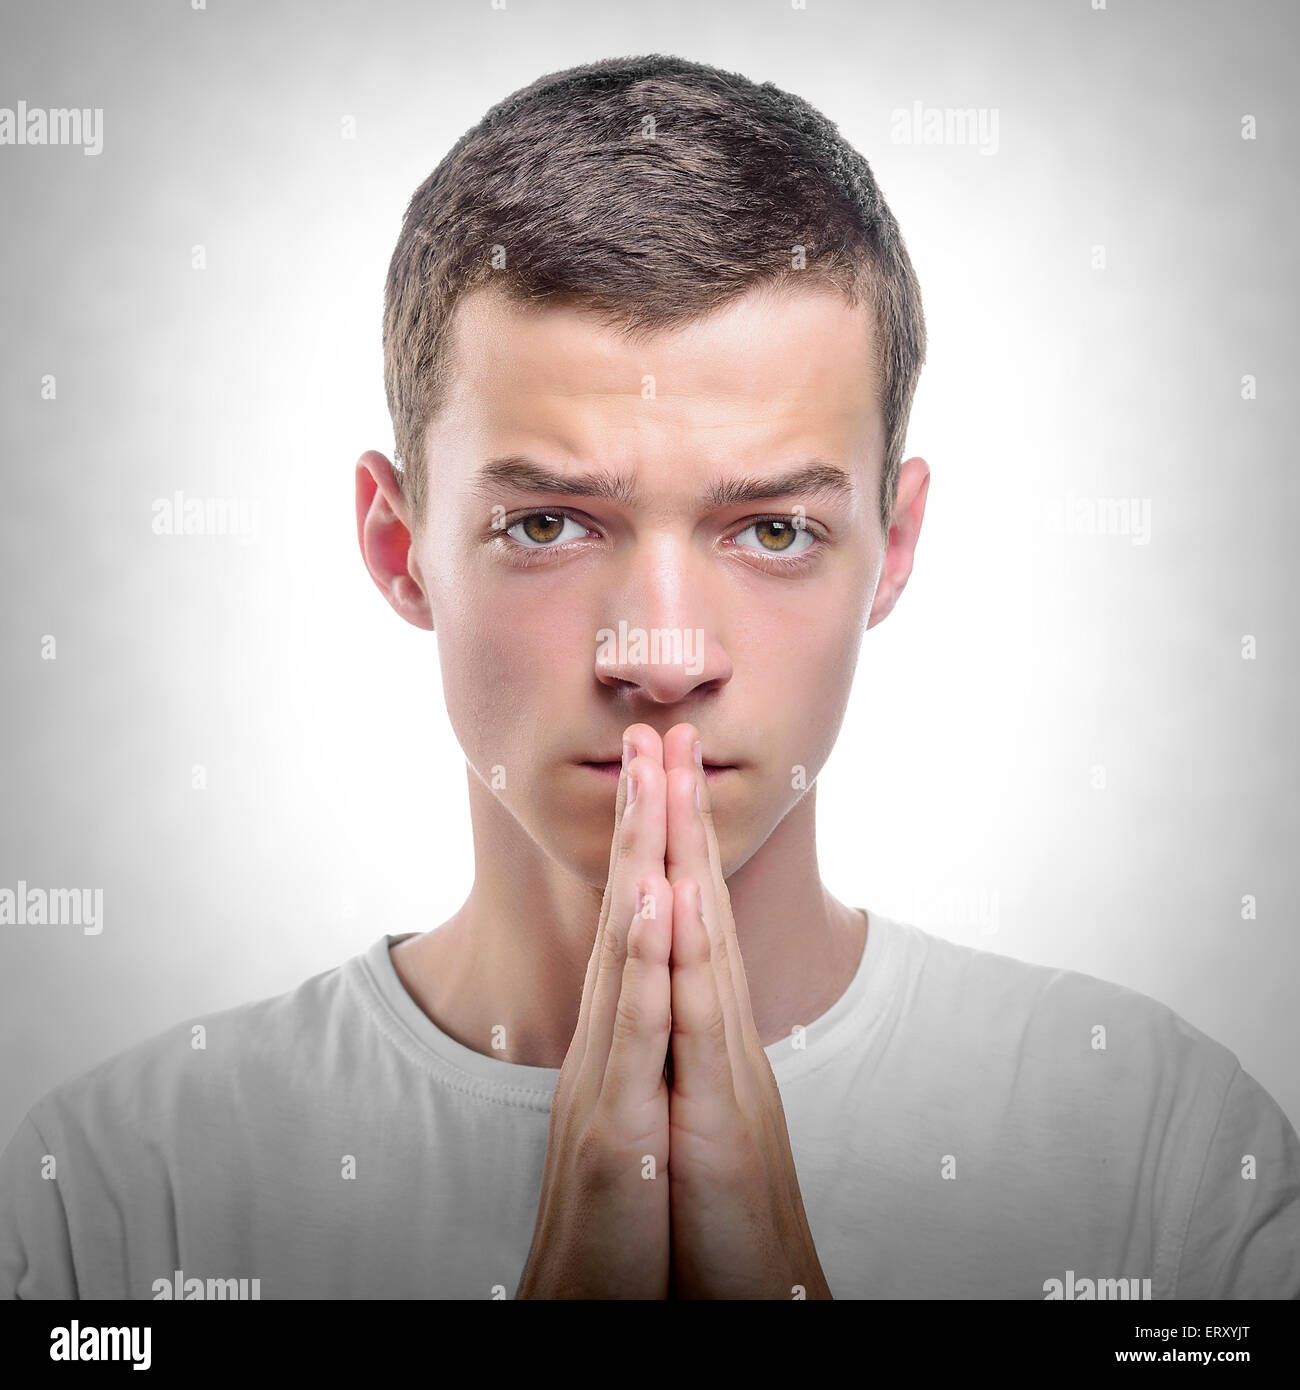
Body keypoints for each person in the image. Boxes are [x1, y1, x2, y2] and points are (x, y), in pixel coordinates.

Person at [2, 53, 1297, 1301]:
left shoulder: (1161, 1158)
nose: (664, 657)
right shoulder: (110, 1202)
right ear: (401, 549)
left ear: (892, 548)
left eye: (774, 529)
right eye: (551, 523)